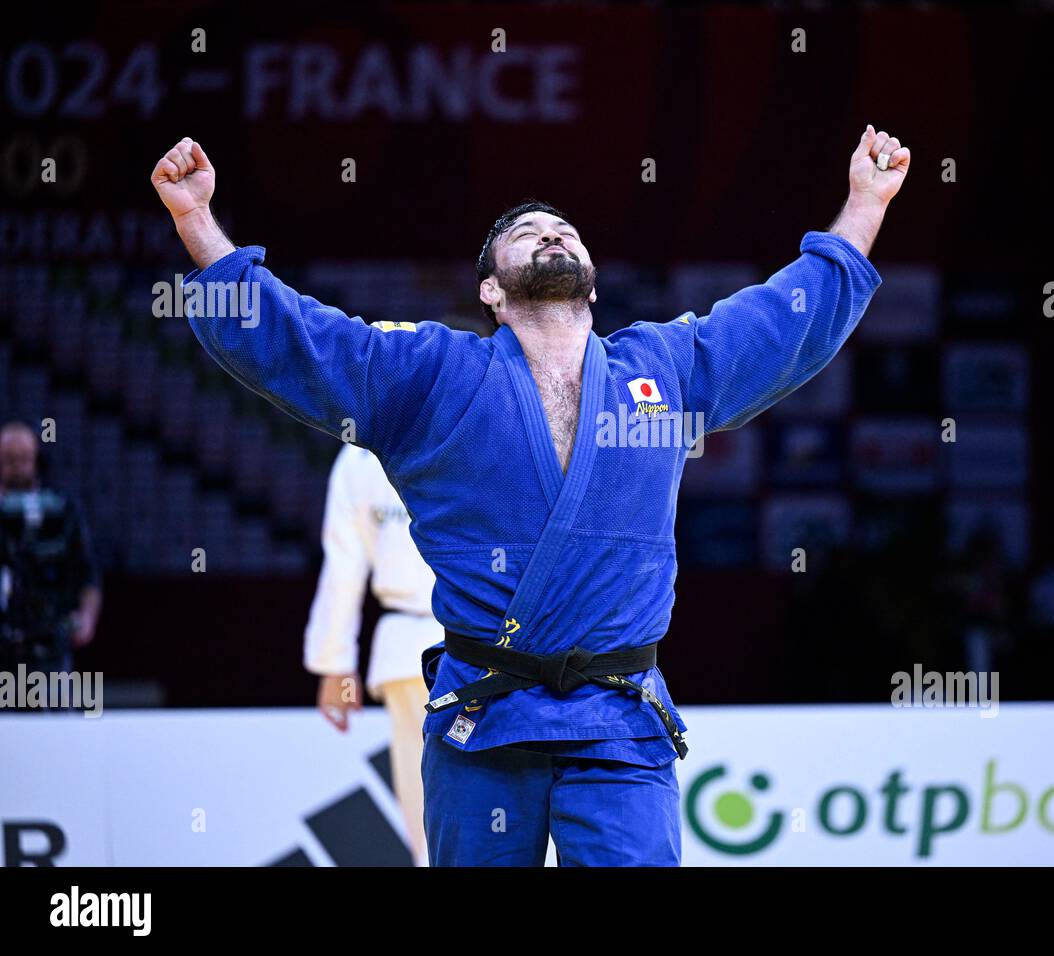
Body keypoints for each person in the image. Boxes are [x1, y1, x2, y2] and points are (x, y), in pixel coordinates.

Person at [151, 123, 908, 865]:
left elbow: (780, 323)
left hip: (619, 721)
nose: (550, 232)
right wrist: (199, 224)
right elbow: (304, 342)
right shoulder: (433, 376)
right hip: (484, 717)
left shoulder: (661, 369)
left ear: (593, 280)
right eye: (525, 232)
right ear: (490, 289)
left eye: (564, 230)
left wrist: (865, 205)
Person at [305, 442, 443, 867]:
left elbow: (344, 566)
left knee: (430, 821)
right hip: (485, 646)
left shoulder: (361, 455)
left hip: (412, 656)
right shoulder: (477, 427)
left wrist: (335, 665)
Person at [0, 421, 101, 680]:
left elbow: (88, 573)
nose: (17, 468)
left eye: (24, 459)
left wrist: (86, 617)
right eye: (9, 460)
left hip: (50, 642)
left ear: (35, 459)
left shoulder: (62, 510)